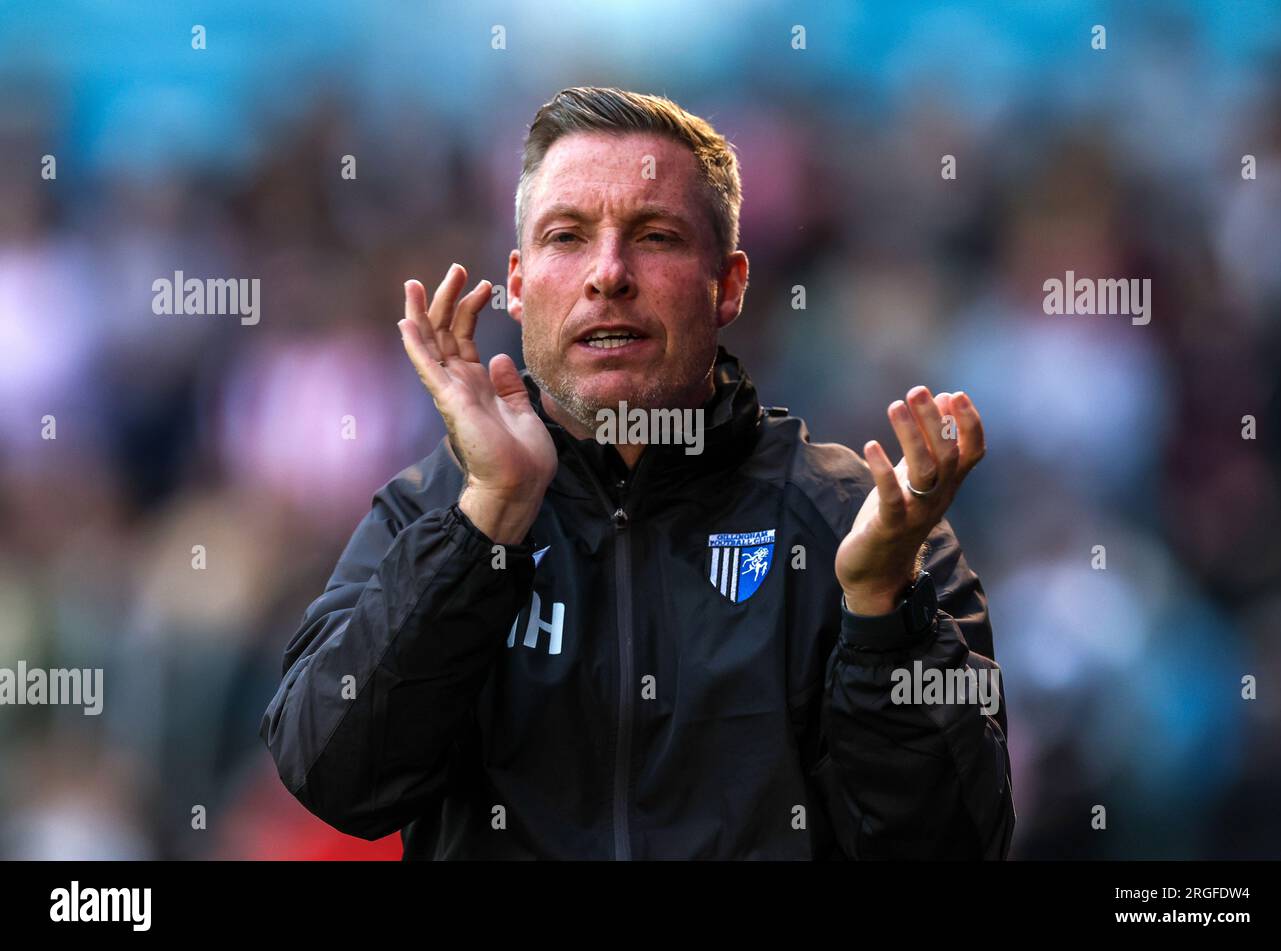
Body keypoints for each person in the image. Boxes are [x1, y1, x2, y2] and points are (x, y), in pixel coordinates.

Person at [259, 86, 1014, 859]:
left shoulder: (863, 527)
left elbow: (954, 845)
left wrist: (884, 616)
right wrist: (489, 519)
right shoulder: (432, 514)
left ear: (728, 285)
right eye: (567, 236)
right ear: (517, 286)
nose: (609, 274)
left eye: (654, 237)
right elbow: (333, 777)